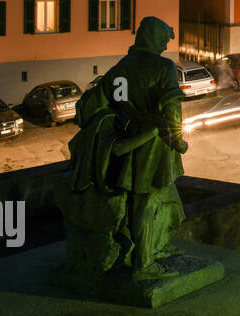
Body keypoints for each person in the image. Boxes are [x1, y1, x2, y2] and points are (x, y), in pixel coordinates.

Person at [63, 16, 188, 279]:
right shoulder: (163, 67)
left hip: (129, 140)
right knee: (143, 201)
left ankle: (152, 247)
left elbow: (96, 103)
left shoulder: (122, 66)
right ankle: (143, 263)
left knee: (157, 200)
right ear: (154, 38)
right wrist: (178, 141)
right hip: (153, 144)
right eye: (164, 40)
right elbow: (171, 107)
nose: (166, 46)